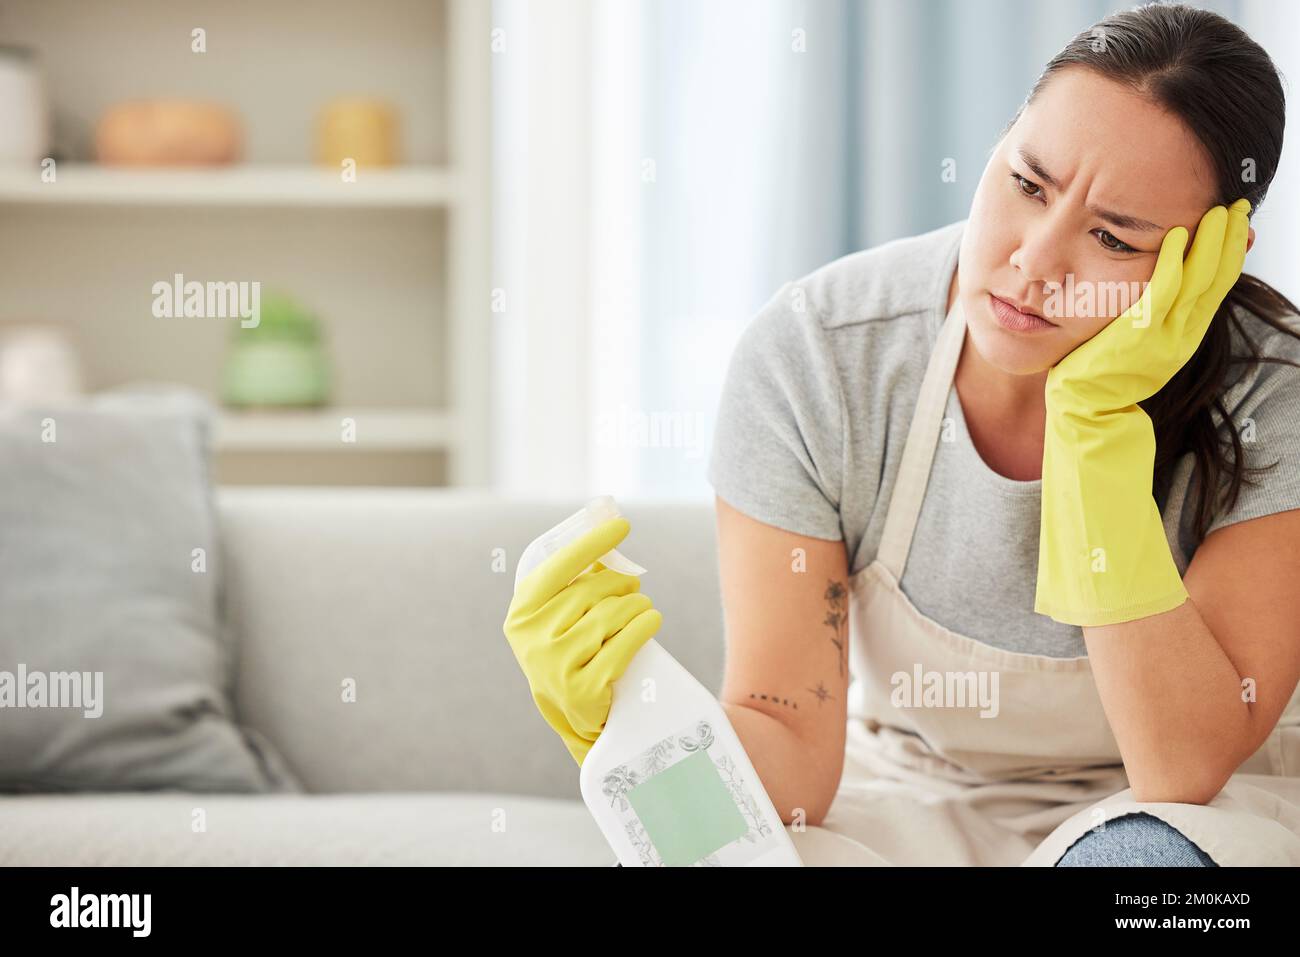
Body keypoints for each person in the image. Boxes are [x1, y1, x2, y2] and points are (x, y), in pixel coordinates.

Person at [504, 2, 1300, 866]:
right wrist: (632, 723)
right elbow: (790, 748)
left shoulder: (1272, 392)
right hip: (908, 806)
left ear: (1214, 256)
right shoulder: (818, 354)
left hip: (1179, 820)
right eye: (1027, 184)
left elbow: (1180, 764)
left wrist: (1097, 429)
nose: (1033, 262)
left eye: (1111, 236)